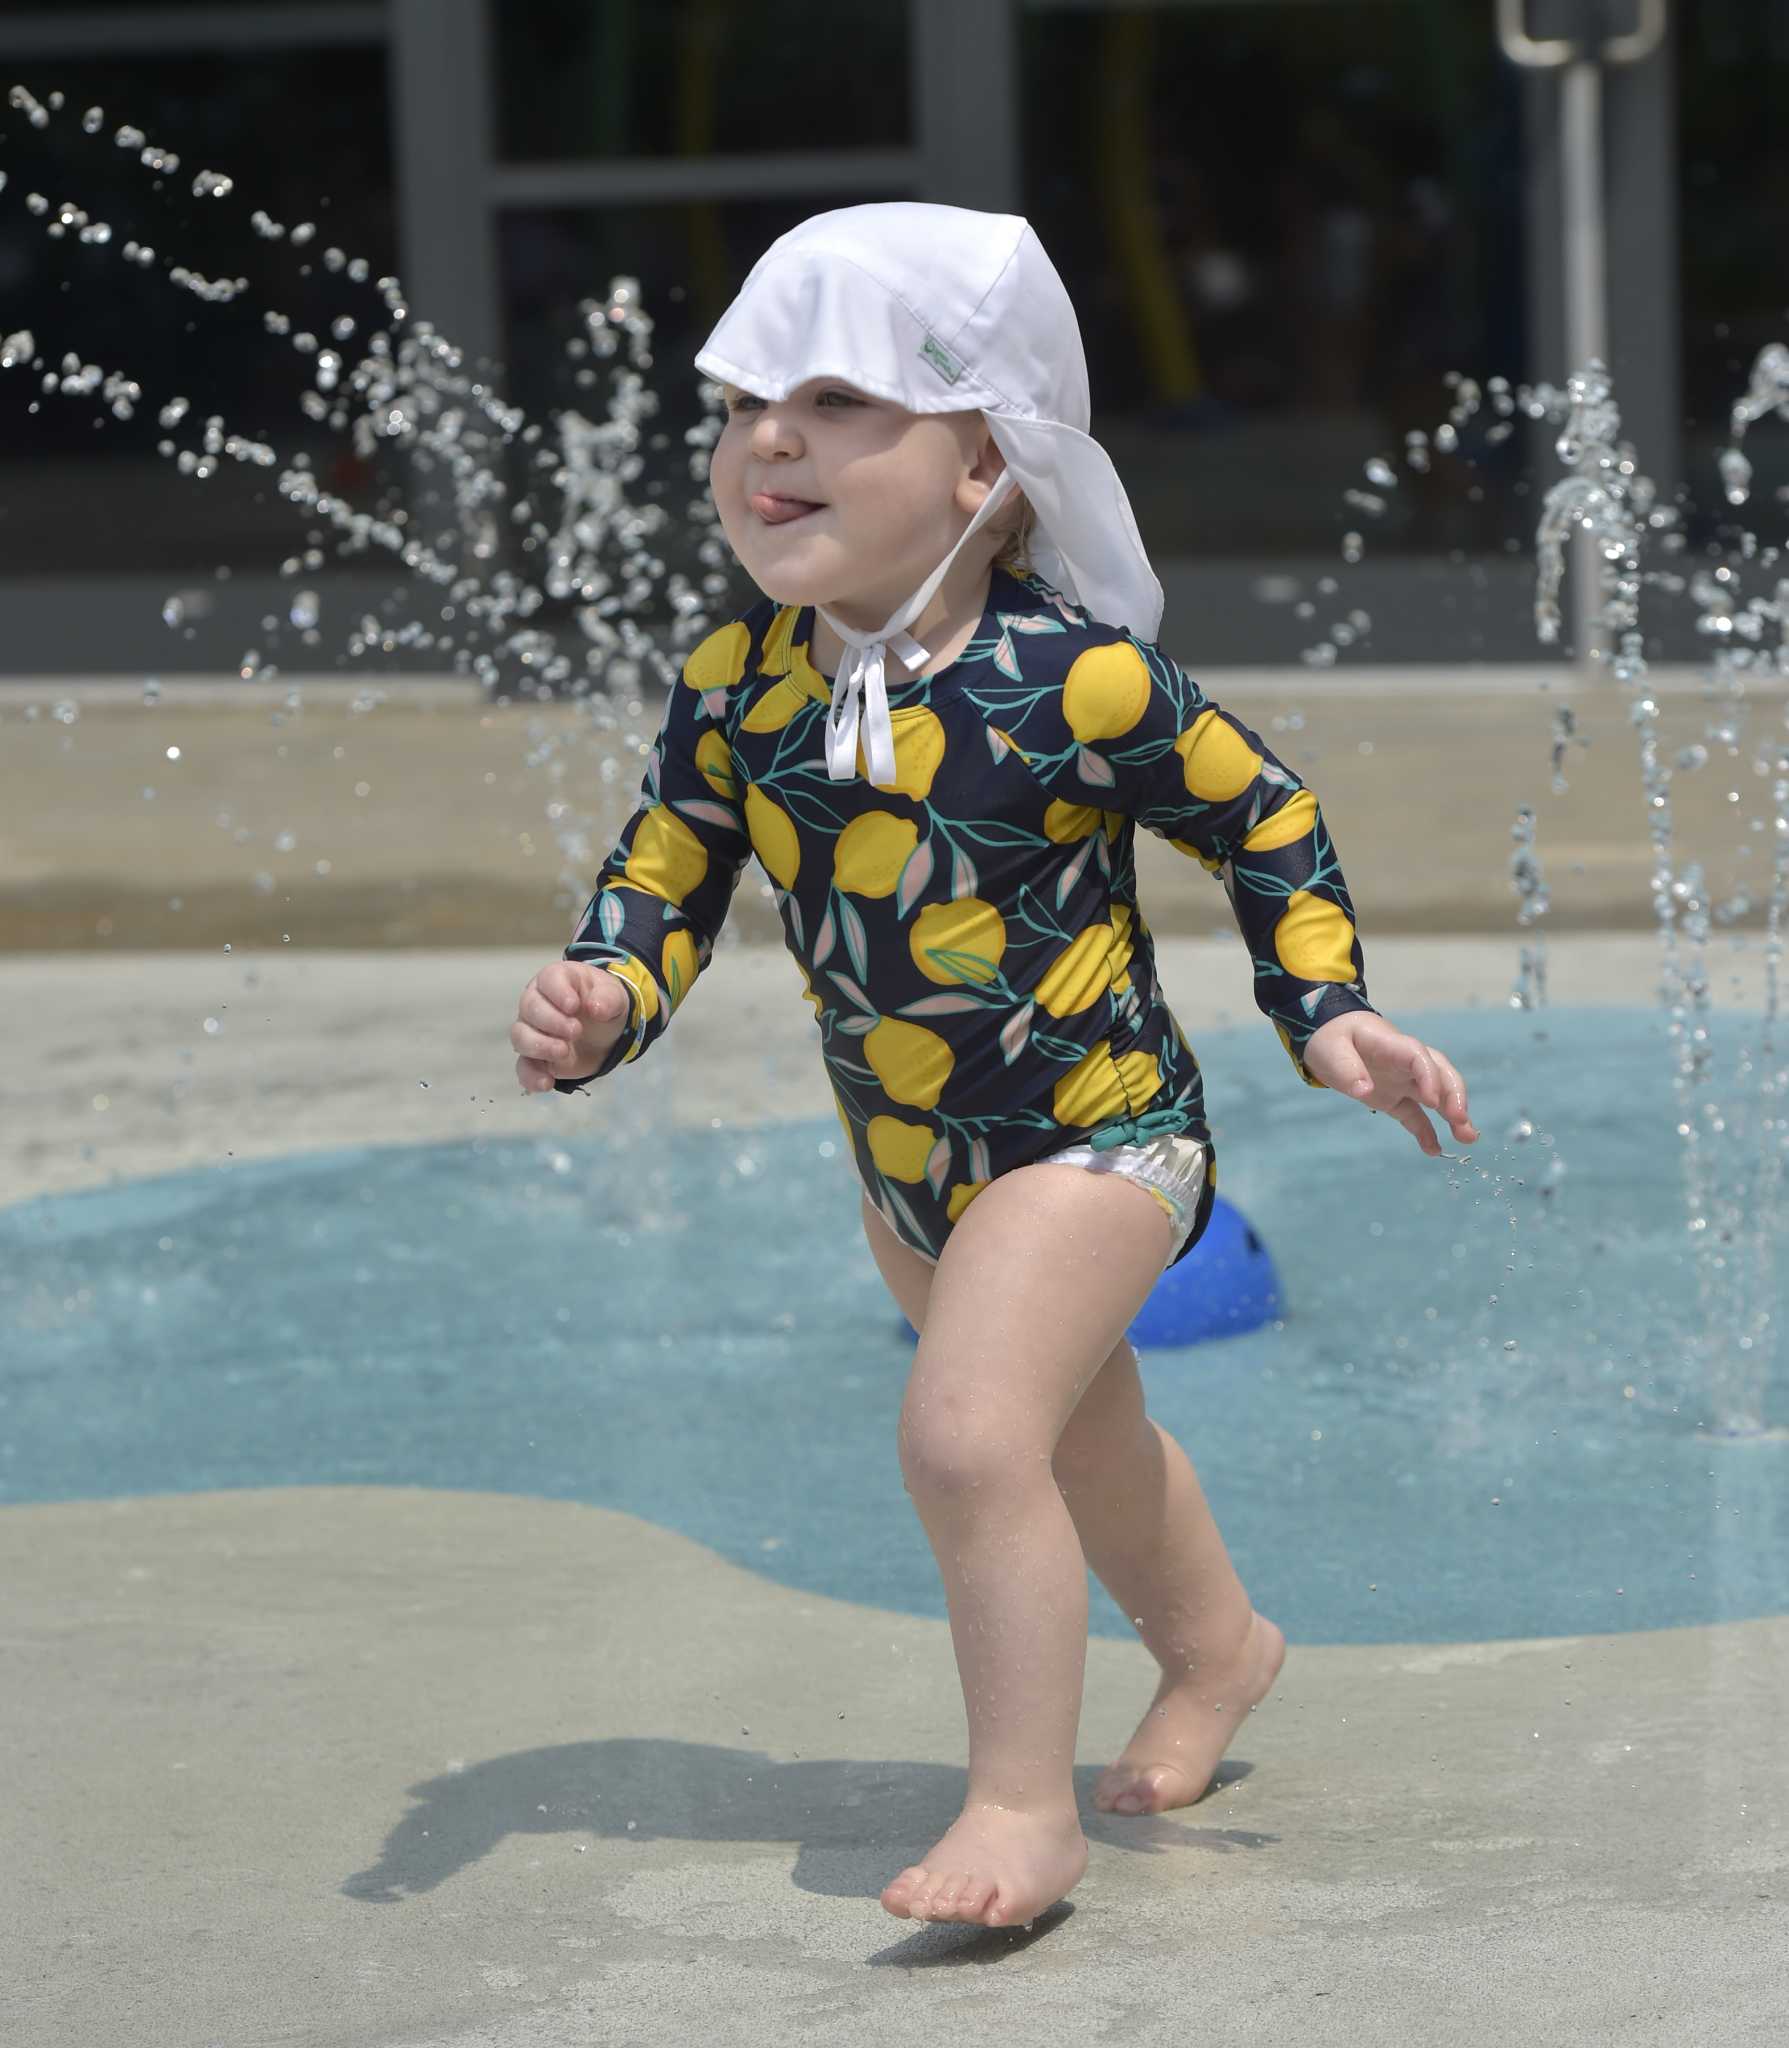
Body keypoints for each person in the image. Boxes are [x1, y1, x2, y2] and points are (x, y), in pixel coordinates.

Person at [510, 204, 1478, 1930]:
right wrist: (608, 996)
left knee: (966, 1440)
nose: (769, 441)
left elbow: (1263, 815)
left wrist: (1325, 1009)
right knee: (1083, 1444)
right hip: (908, 1168)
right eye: (743, 406)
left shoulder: (1071, 679)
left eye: (837, 402)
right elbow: (668, 870)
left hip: (1100, 1138)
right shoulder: (736, 686)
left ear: (986, 467)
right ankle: (1218, 1649)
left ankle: (1021, 1810)